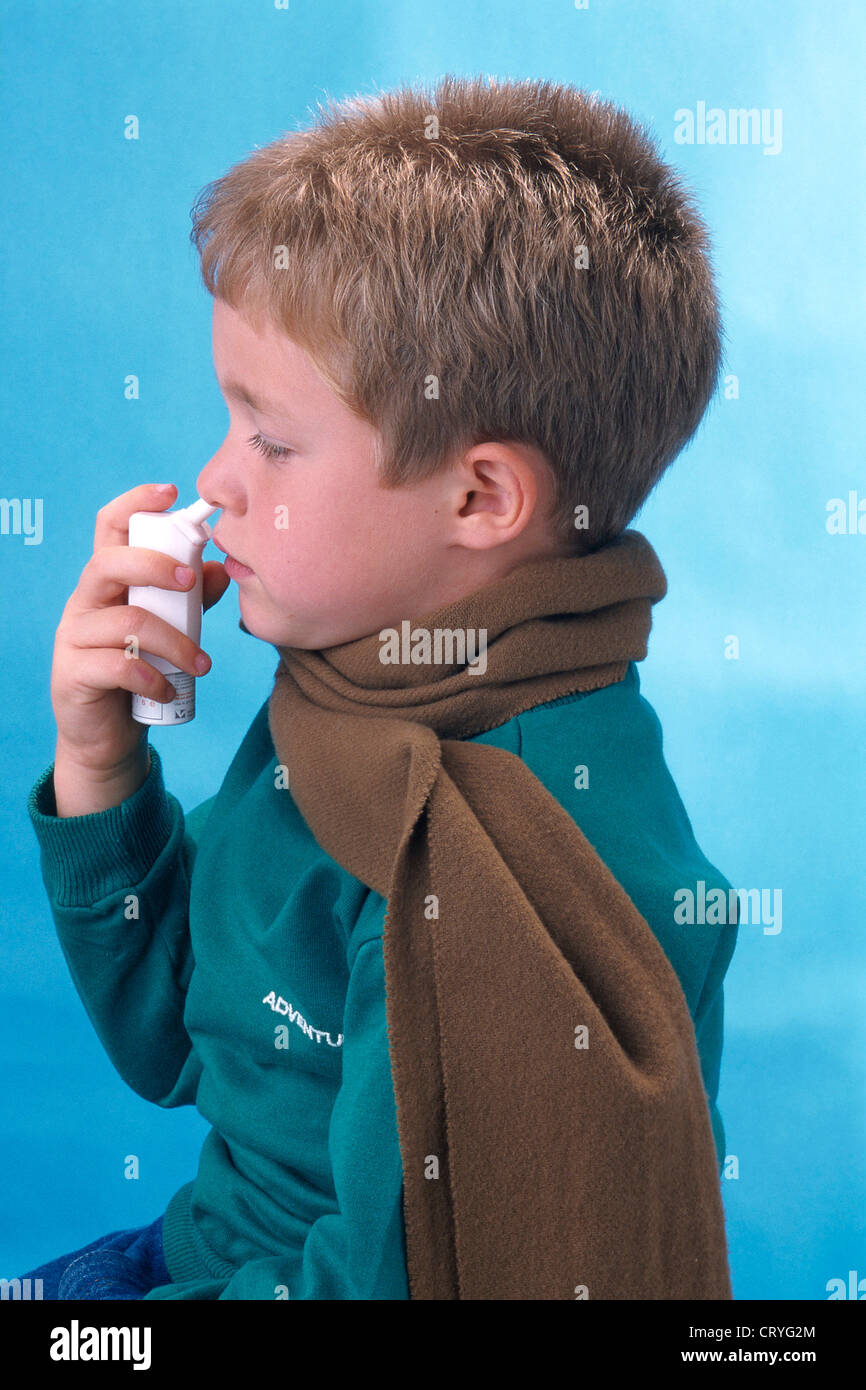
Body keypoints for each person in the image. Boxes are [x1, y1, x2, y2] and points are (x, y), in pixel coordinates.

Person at [20, 74, 738, 1300]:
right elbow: (183, 1039)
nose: (214, 477)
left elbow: (387, 1278)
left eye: (272, 438)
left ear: (477, 499)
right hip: (206, 1247)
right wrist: (102, 768)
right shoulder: (361, 686)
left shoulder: (486, 850)